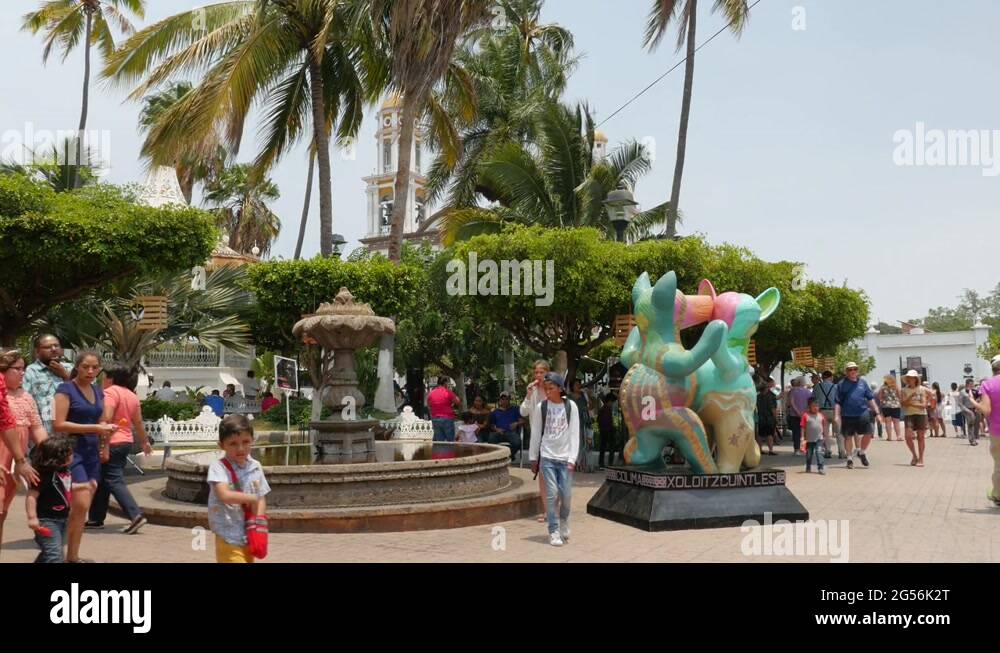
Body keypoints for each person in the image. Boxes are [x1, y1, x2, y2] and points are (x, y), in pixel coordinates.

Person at [53, 350, 115, 563]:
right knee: (79, 503)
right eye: (86, 366)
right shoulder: (66, 389)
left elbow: (103, 421)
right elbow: (59, 424)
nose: (90, 371)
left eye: (95, 367)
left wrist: (104, 442)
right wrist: (95, 428)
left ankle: (72, 556)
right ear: (77, 367)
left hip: (91, 453)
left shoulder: (98, 391)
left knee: (83, 508)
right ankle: (55, 551)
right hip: (72, 451)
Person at [88, 362, 153, 534]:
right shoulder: (132, 396)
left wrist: (104, 446)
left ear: (110, 379)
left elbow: (106, 419)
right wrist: (145, 442)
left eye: (103, 377)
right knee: (103, 479)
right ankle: (96, 518)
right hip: (125, 441)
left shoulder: (110, 393)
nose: (101, 380)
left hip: (112, 441)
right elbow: (138, 422)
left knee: (113, 479)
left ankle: (135, 515)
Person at [0, 350, 48, 552]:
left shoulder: (26, 397)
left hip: (17, 459)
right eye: (17, 369)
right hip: (4, 456)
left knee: (3, 511)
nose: (22, 373)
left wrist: (52, 451)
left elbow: (36, 427)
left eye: (24, 369)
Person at [207, 415, 270, 563]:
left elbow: (261, 497)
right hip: (227, 535)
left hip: (248, 534)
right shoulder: (218, 467)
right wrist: (252, 498)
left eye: (246, 442)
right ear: (221, 445)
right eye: (233, 443)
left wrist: (258, 522)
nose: (240, 448)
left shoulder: (255, 467)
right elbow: (224, 494)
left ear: (252, 440)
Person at [529, 372, 580, 547]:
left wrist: (572, 458)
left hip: (565, 458)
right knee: (551, 495)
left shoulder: (571, 406)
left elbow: (575, 434)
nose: (548, 392)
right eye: (546, 389)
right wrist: (533, 457)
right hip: (548, 457)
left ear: (560, 388)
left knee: (566, 495)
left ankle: (564, 521)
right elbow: (536, 433)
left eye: (551, 388)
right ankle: (553, 531)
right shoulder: (540, 408)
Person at [25, 436, 74, 563]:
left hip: (63, 519)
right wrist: (32, 517)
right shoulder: (44, 475)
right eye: (69, 453)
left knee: (50, 551)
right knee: (55, 555)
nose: (72, 455)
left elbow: (66, 488)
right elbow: (31, 496)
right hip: (46, 521)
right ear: (59, 457)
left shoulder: (66, 471)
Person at [23, 334, 72, 437]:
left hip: (70, 434)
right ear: (37, 352)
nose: (53, 349)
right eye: (47, 347)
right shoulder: (30, 372)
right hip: (44, 435)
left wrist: (65, 375)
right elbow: (25, 403)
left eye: (56, 345)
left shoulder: (70, 368)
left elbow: (85, 394)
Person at [834, 362, 880, 469]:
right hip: (847, 414)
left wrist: (877, 412)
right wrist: (836, 415)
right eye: (850, 369)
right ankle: (849, 458)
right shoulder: (841, 384)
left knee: (869, 433)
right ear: (846, 372)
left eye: (854, 369)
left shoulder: (863, 383)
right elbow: (837, 401)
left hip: (862, 413)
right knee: (848, 437)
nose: (853, 371)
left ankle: (861, 452)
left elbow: (870, 398)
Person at [521, 360, 551, 521]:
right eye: (536, 372)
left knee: (554, 476)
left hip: (554, 439)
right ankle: (547, 510)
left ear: (547, 373)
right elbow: (523, 412)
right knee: (542, 477)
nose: (538, 375)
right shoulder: (532, 392)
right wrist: (528, 395)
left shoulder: (552, 389)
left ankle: (555, 508)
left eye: (541, 372)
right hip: (538, 439)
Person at [971, 360, 1000, 505]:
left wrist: (974, 402)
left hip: (997, 431)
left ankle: (998, 495)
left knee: (999, 465)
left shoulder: (988, 385)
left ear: (993, 370)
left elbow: (986, 410)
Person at [900, 370, 930, 466]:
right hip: (909, 415)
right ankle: (914, 455)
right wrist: (910, 398)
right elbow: (903, 404)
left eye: (911, 378)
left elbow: (924, 405)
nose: (909, 379)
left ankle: (921, 458)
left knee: (920, 437)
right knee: (908, 436)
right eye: (908, 378)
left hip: (921, 414)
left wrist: (911, 403)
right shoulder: (904, 390)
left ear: (915, 379)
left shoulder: (922, 389)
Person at [811, 371, 841, 458]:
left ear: (822, 377)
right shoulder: (836, 387)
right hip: (835, 411)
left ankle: (827, 451)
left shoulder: (817, 387)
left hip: (822, 411)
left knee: (825, 433)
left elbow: (813, 400)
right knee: (839, 433)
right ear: (831, 377)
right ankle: (842, 452)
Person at [487, 392, 523, 462]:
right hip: (499, 433)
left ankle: (508, 456)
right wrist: (496, 429)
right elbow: (491, 425)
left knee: (517, 442)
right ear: (500, 400)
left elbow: (523, 421)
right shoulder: (495, 412)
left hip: (511, 433)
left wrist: (516, 423)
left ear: (509, 400)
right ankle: (497, 457)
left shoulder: (515, 409)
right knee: (490, 440)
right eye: (503, 399)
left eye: (506, 399)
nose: (504, 401)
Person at [568, 379, 594, 473]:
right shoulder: (568, 397)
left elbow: (590, 407)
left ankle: (582, 464)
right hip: (572, 424)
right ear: (572, 387)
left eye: (579, 384)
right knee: (574, 444)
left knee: (584, 444)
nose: (578, 386)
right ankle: (574, 463)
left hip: (584, 423)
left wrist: (588, 396)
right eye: (576, 385)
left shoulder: (584, 396)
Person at [427, 376, 461, 442]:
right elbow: (458, 402)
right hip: (447, 418)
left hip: (435, 418)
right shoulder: (448, 392)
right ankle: (450, 452)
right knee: (450, 441)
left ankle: (440, 452)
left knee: (439, 441)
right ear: (445, 383)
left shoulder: (431, 393)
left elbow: (429, 405)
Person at [801, 398, 827, 474]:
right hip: (809, 440)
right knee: (809, 454)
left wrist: (825, 436)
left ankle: (821, 467)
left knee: (819, 452)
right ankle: (808, 466)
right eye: (813, 406)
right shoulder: (805, 416)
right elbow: (802, 427)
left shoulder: (821, 415)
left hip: (819, 439)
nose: (815, 408)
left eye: (817, 406)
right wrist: (802, 437)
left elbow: (824, 426)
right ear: (809, 407)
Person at [786, 377, 811, 455]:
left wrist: (797, 412)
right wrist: (804, 412)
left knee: (796, 432)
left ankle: (796, 449)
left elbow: (791, 403)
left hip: (794, 415)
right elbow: (810, 403)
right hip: (805, 415)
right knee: (806, 432)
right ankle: (805, 448)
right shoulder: (808, 392)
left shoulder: (793, 391)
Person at [597, 392, 622, 467]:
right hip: (607, 430)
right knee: (611, 447)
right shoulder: (606, 409)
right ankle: (609, 463)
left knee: (603, 447)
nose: (613, 404)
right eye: (613, 402)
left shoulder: (604, 408)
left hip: (604, 430)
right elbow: (607, 421)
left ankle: (602, 463)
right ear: (610, 401)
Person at [877, 376, 903, 442]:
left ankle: (889, 437)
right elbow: (900, 396)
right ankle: (898, 436)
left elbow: (879, 396)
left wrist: (882, 401)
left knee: (887, 422)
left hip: (886, 406)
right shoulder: (896, 387)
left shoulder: (883, 387)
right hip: (896, 406)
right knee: (896, 422)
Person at [757, 378, 778, 456]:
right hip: (769, 418)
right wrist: (775, 418)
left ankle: (760, 449)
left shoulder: (758, 396)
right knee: (769, 434)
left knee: (760, 434)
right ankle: (771, 450)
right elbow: (773, 409)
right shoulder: (771, 396)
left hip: (760, 417)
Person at [959, 379, 979, 444]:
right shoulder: (962, 392)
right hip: (967, 410)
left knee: (975, 424)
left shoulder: (973, 391)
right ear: (967, 384)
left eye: (973, 384)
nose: (973, 385)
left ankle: (974, 438)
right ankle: (971, 440)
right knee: (970, 424)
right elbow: (960, 403)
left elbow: (976, 398)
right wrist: (967, 410)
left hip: (974, 409)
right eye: (971, 384)